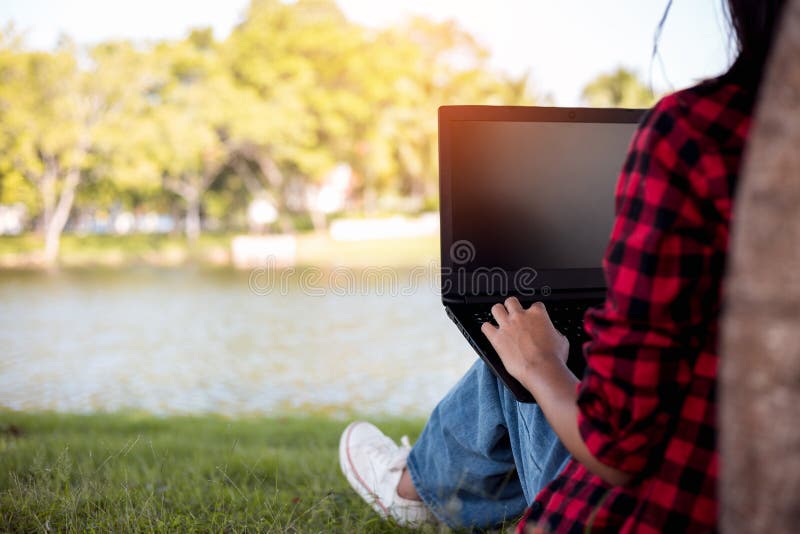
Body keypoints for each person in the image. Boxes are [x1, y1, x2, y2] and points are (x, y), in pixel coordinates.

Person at [339, 1, 788, 532]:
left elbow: (617, 448)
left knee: (522, 345)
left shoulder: (706, 132)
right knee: (529, 332)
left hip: (680, 508)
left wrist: (545, 367)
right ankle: (420, 484)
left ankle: (411, 489)